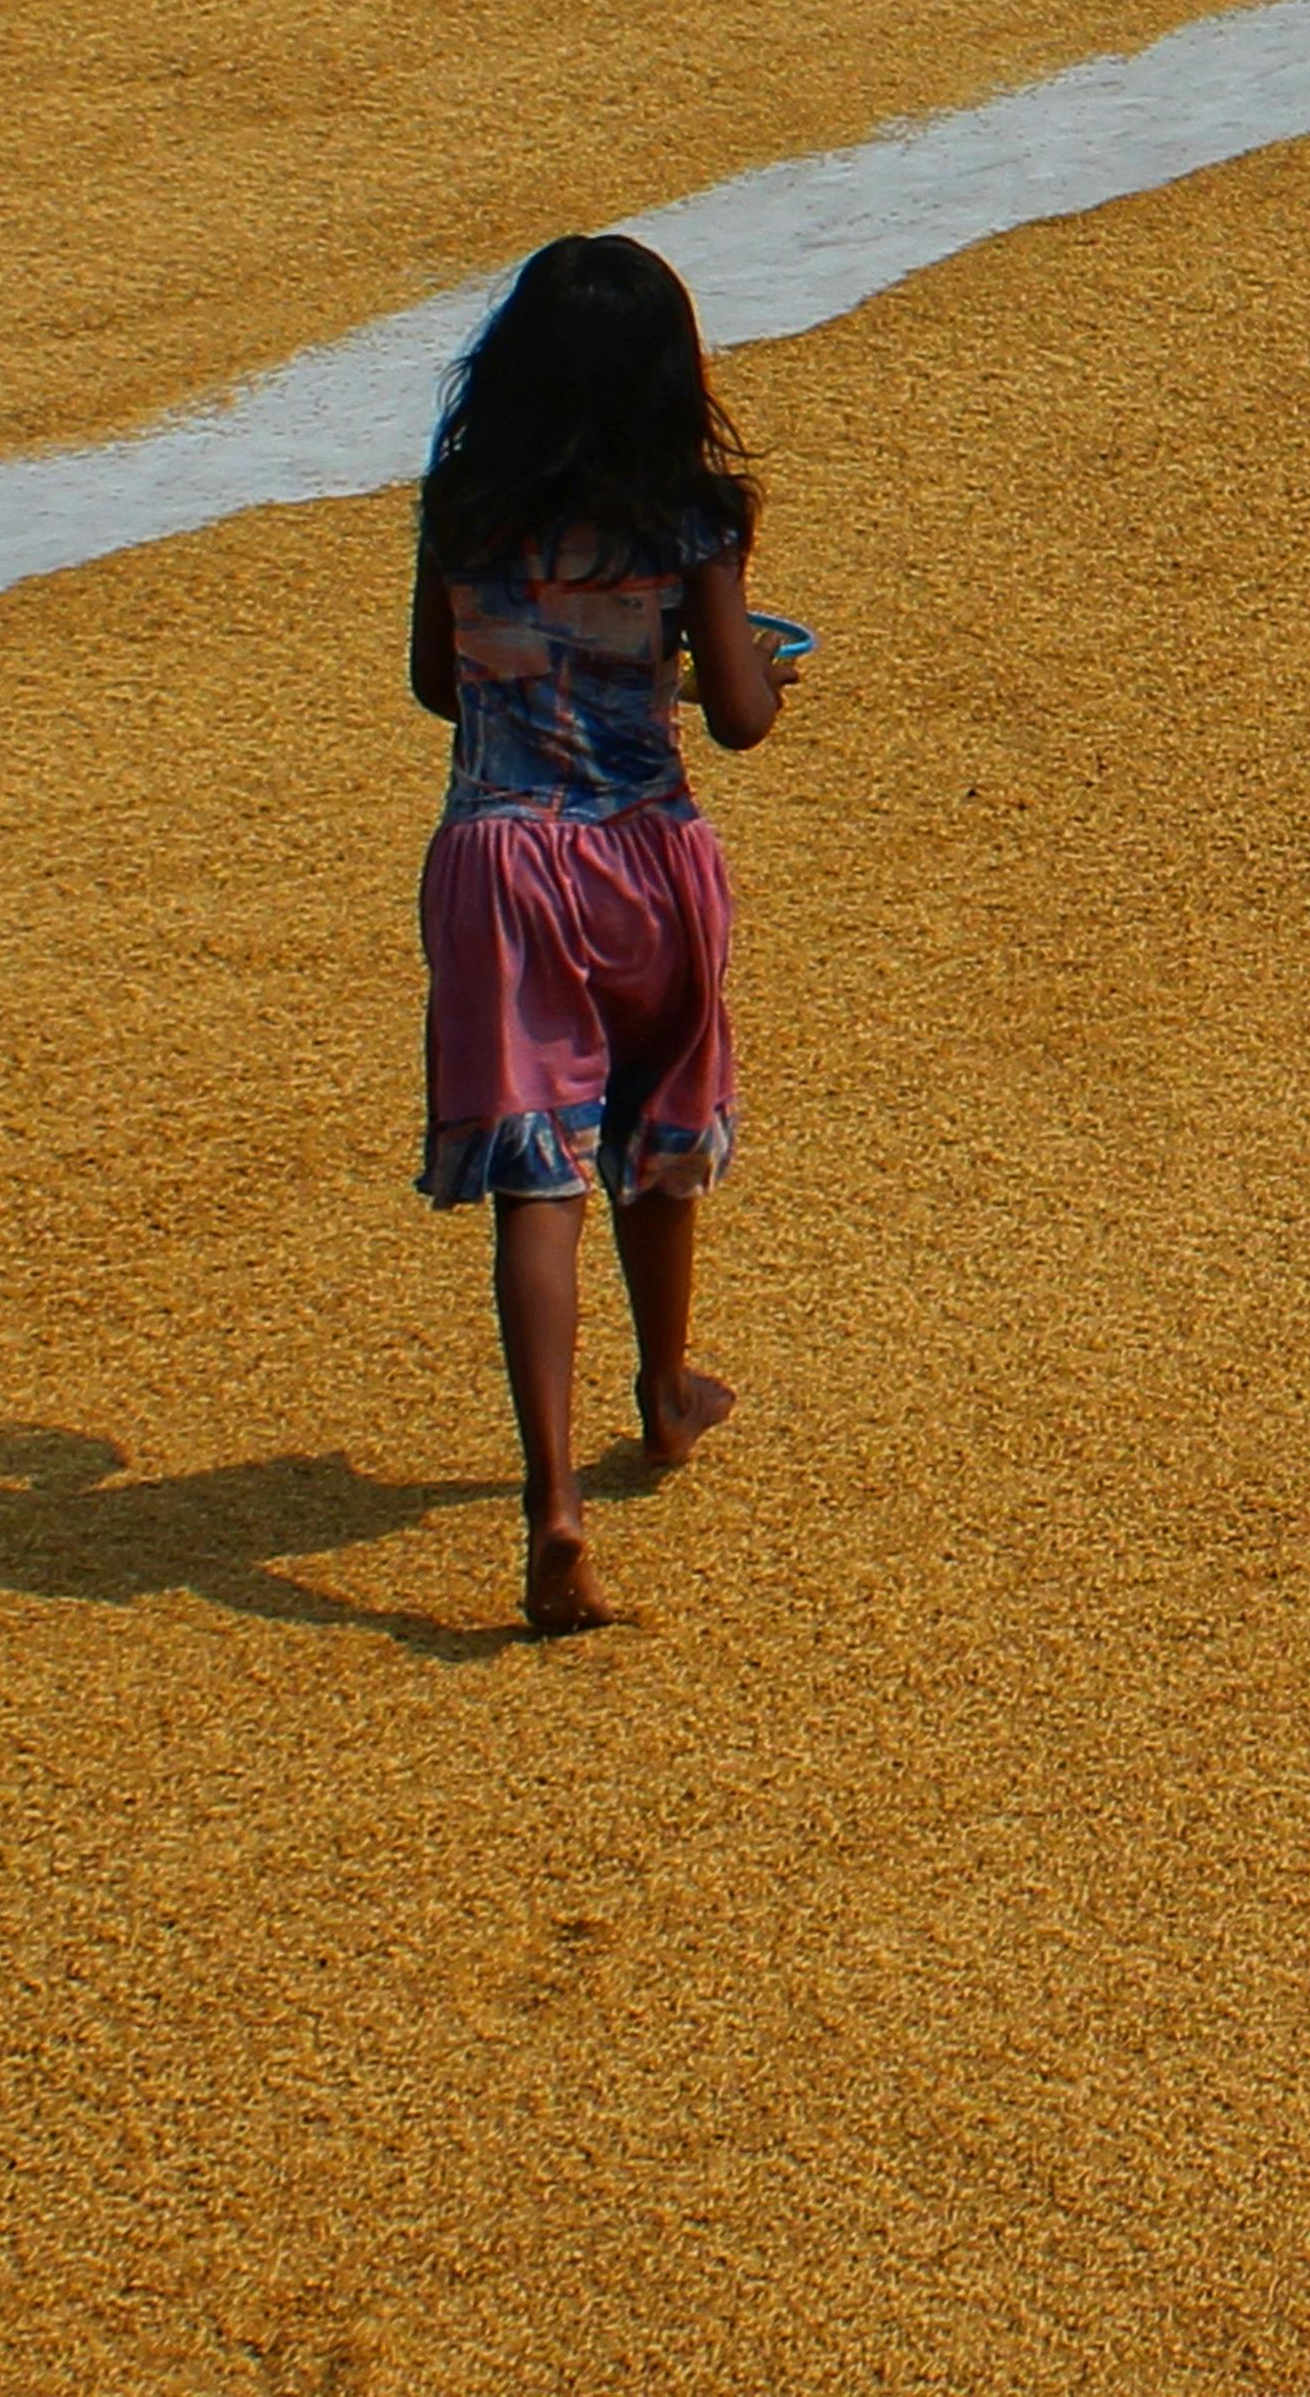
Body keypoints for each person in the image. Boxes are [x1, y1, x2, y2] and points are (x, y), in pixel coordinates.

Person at [404, 234, 795, 1636]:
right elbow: (740, 717)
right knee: (660, 1131)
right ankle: (668, 1390)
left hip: (500, 857)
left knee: (538, 1174)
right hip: (644, 855)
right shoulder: (691, 517)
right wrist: (736, 670)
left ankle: (554, 1500)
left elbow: (437, 685)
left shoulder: (461, 506)